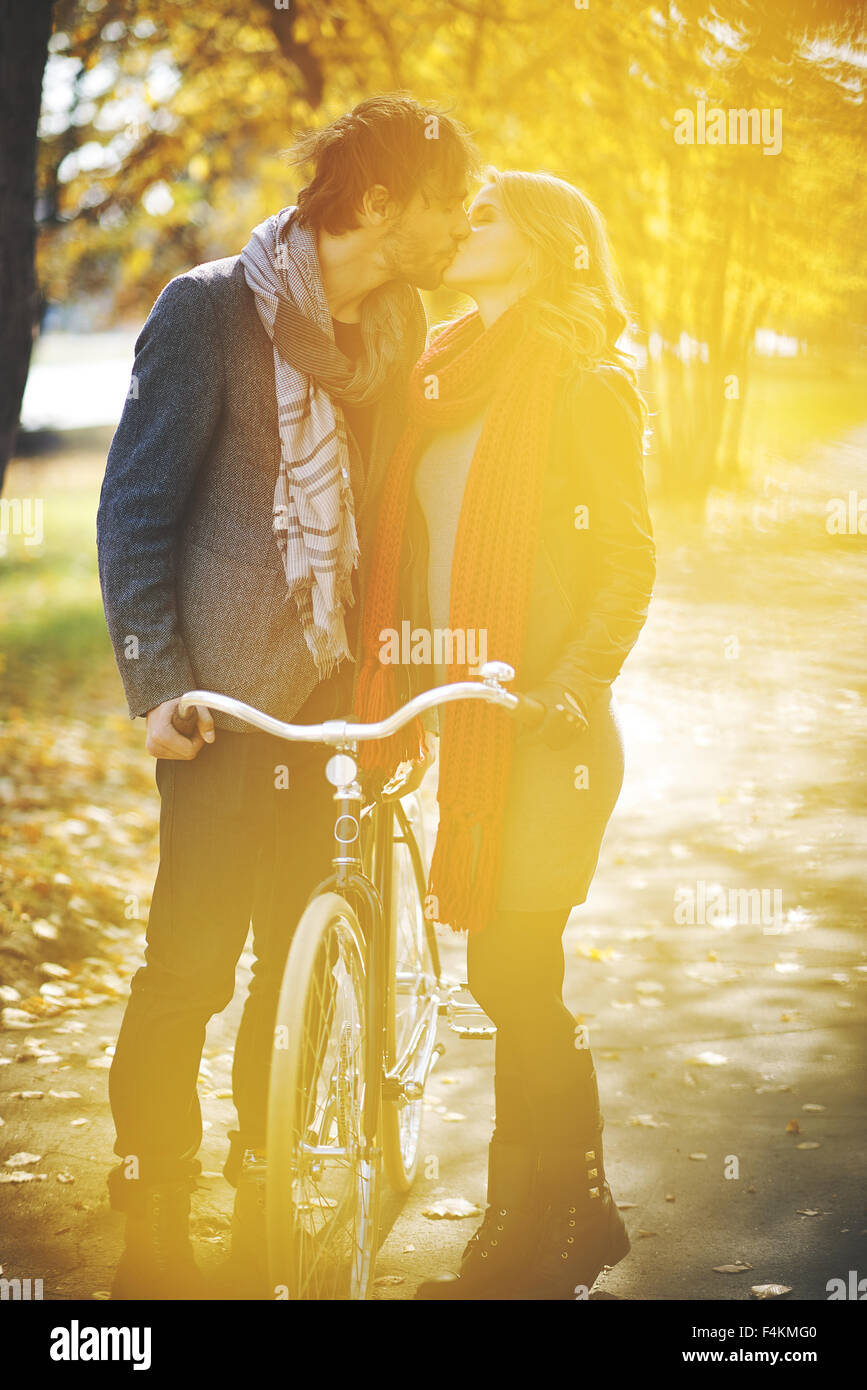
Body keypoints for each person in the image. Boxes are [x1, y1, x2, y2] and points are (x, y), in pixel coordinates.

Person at [95, 94, 478, 1299]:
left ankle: (273, 1163)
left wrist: (405, 684)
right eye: (450, 204)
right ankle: (155, 1178)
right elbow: (135, 511)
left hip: (333, 694)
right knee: (192, 965)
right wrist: (157, 684)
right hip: (223, 706)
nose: (465, 224)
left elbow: (390, 520)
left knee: (296, 948)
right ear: (377, 206)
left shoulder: (404, 317)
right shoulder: (210, 311)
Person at [352, 167, 656, 1300]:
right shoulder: (436, 375)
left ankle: (531, 1241)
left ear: (542, 248)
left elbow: (630, 562)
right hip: (463, 714)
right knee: (512, 979)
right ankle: (561, 1227)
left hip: (552, 732)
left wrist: (567, 688)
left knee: (515, 975)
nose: (456, 224)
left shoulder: (583, 383)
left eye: (481, 215)